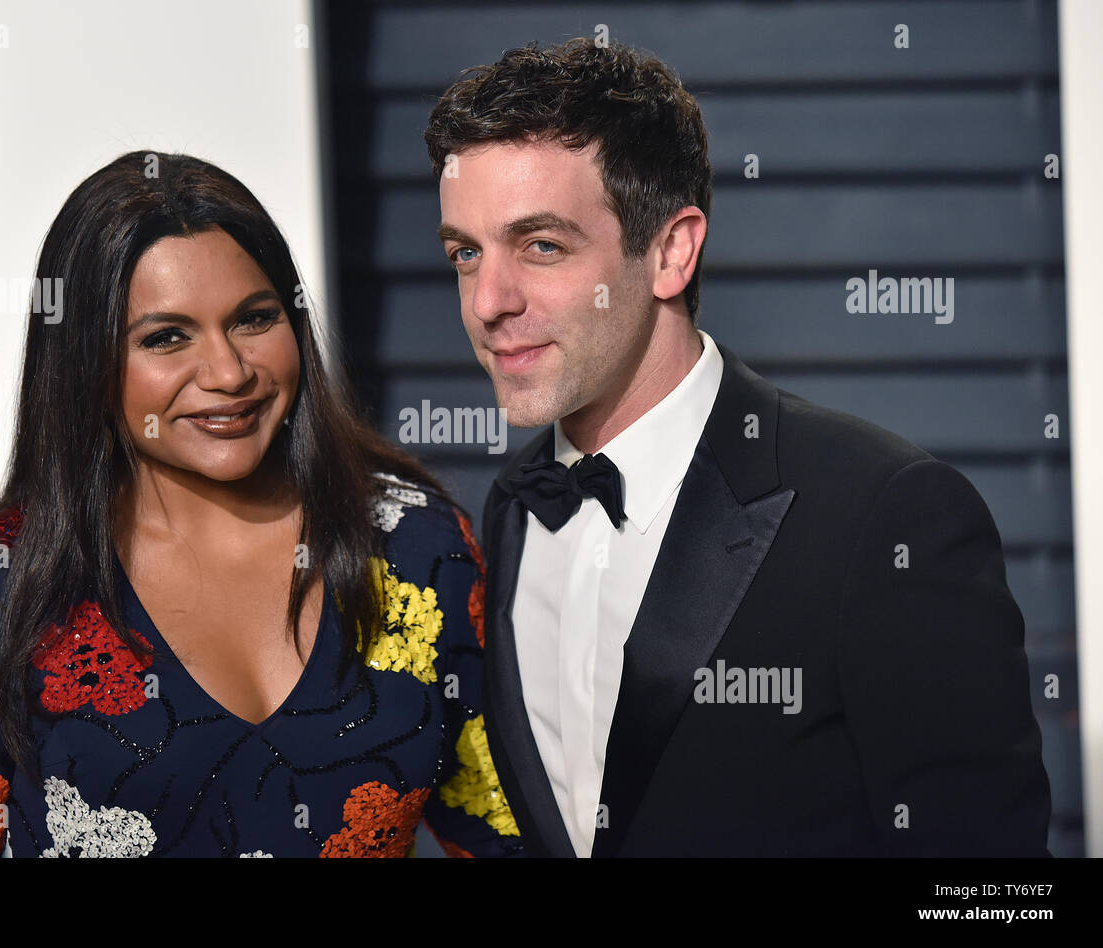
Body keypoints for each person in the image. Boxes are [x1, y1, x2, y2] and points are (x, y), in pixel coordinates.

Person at [424, 38, 1052, 857]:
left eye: (542, 245)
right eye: (466, 253)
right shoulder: (512, 509)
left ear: (672, 251)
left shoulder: (886, 515)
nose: (488, 301)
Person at [0, 151, 522, 858]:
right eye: (166, 337)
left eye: (253, 319)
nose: (229, 372)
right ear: (85, 360)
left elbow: (502, 836)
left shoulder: (417, 546)